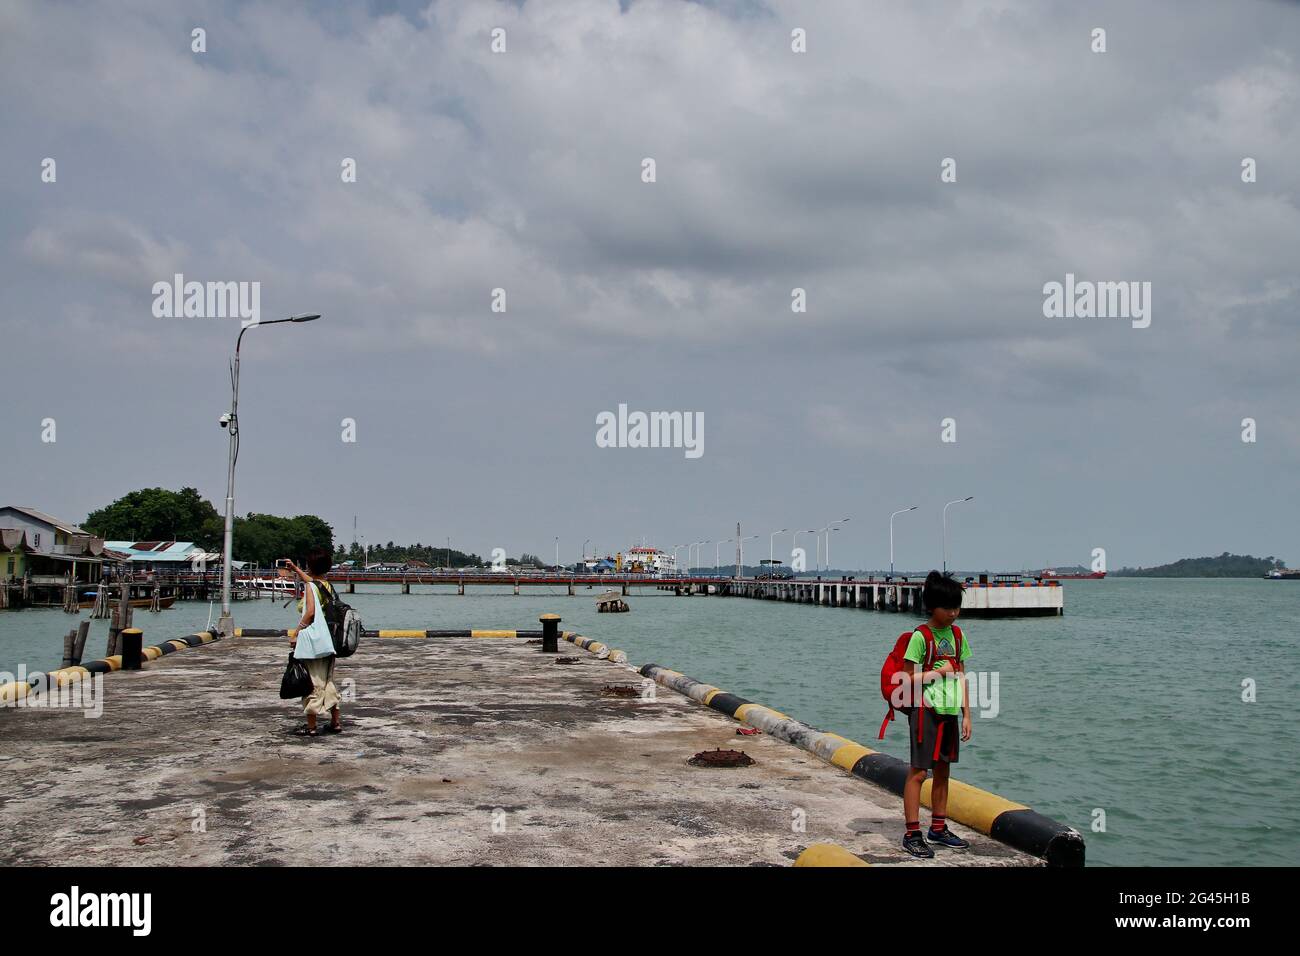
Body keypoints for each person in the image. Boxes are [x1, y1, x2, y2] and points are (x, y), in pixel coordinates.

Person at [900, 570, 972, 858]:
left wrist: (967, 714)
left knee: (943, 770)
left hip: (950, 712)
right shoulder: (920, 637)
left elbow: (963, 676)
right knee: (918, 772)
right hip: (925, 711)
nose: (954, 613)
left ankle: (938, 828)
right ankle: (912, 833)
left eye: (957, 608)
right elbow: (905, 679)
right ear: (932, 607)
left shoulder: (957, 635)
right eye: (948, 608)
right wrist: (936, 673)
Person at [281, 550, 341, 737]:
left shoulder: (310, 587)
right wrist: (295, 568)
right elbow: (311, 581)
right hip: (328, 641)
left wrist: (296, 633)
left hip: (313, 641)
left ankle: (312, 726)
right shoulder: (326, 586)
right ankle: (335, 722)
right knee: (327, 681)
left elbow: (310, 613)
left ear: (311, 566)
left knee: (311, 682)